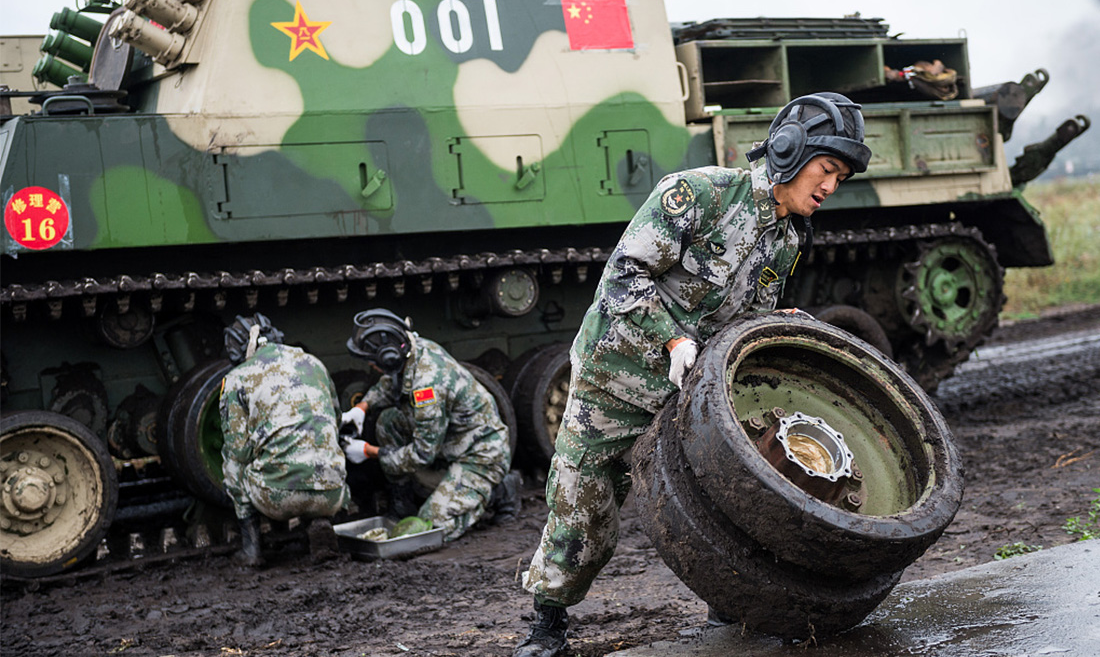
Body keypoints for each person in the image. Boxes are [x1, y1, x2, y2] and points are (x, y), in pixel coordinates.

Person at [512, 93, 873, 657]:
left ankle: (728, 609)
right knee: (582, 505)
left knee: (727, 498)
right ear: (789, 151)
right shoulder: (699, 195)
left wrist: (778, 322)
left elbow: (744, 313)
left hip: (692, 390)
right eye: (827, 170)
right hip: (618, 376)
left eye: (841, 177)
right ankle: (548, 623)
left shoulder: (786, 236)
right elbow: (624, 276)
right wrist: (673, 337)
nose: (830, 187)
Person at [340, 308, 520, 542]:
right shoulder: (413, 349)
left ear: (389, 357)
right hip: (449, 439)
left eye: (373, 362)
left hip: (479, 454)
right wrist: (361, 408)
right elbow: (389, 383)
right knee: (388, 422)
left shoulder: (427, 388)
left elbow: (422, 454)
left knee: (429, 528)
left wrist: (368, 452)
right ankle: (403, 500)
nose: (372, 367)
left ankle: (499, 489)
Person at [218, 313, 350, 567]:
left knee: (232, 463)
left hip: (276, 498)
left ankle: (252, 550)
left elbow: (237, 449)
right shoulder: (313, 363)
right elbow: (336, 419)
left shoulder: (236, 378)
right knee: (321, 440)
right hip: (333, 493)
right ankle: (319, 518)